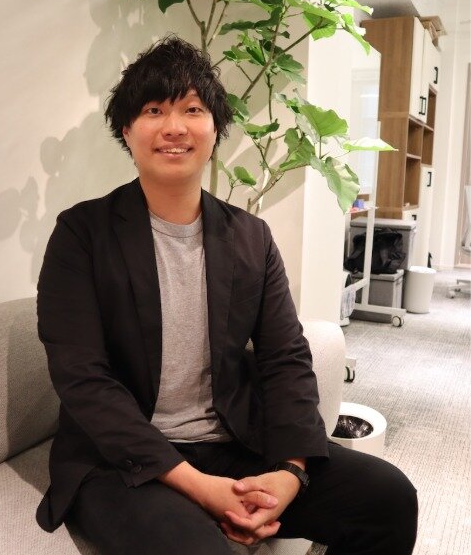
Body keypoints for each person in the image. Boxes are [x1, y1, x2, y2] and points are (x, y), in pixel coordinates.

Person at [36, 36, 418, 554]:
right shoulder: (82, 233)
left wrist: (291, 472)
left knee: (388, 498)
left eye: (193, 109)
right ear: (127, 130)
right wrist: (201, 488)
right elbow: (83, 378)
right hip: (123, 461)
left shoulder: (249, 237)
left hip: (233, 442)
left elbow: (285, 358)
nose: (174, 127)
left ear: (215, 129)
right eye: (153, 110)